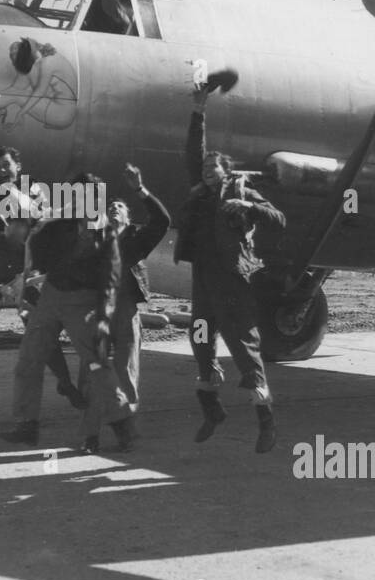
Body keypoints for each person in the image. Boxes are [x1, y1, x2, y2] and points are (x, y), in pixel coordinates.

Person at [0, 83, 84, 411]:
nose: (1, 169)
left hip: (19, 257)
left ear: (18, 166)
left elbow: (42, 223)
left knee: (36, 321)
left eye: (7, 165)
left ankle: (65, 383)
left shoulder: (31, 189)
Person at [174, 83, 286, 452]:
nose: (206, 170)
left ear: (226, 171)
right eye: (204, 167)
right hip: (204, 280)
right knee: (201, 338)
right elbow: (194, 151)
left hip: (232, 281)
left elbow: (278, 218)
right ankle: (212, 409)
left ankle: (265, 419)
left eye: (213, 166)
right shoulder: (200, 194)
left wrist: (250, 208)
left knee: (243, 348)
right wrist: (197, 111)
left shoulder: (239, 190)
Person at [0, 176, 135, 454]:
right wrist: (34, 229)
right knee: (29, 358)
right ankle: (27, 423)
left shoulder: (105, 232)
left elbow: (111, 277)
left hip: (83, 302)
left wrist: (104, 316)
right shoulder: (56, 225)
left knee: (97, 365)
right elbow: (35, 258)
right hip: (51, 296)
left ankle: (121, 421)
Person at [104, 164, 171, 409]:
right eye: (110, 206)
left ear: (128, 217)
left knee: (125, 366)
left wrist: (140, 189)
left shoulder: (137, 240)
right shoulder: (96, 242)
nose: (114, 208)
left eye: (120, 206)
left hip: (125, 310)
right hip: (99, 309)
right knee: (93, 369)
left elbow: (163, 221)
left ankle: (128, 421)